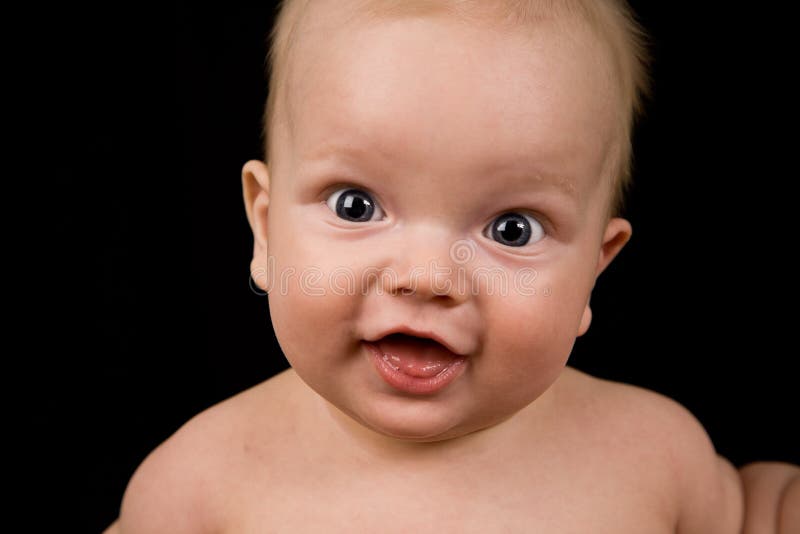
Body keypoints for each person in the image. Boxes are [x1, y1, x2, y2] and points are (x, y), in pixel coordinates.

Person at [105, 0, 799, 531]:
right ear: (264, 226)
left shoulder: (652, 452)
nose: (427, 276)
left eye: (511, 229)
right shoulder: (199, 487)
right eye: (355, 205)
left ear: (594, 266)